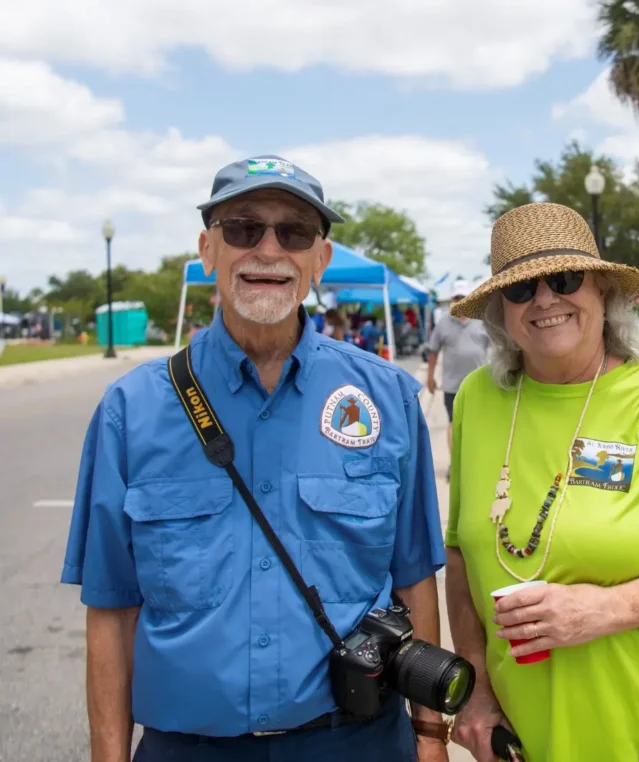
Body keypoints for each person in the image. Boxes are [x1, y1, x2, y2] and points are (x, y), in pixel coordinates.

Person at [60, 154, 451, 762]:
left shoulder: (387, 399)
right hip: (189, 748)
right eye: (243, 228)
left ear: (319, 259)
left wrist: (430, 739)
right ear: (208, 250)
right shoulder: (129, 412)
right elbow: (111, 613)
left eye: (293, 232)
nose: (268, 250)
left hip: (357, 743)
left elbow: (415, 580)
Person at [442, 202, 639, 762]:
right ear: (501, 310)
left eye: (564, 279)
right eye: (521, 290)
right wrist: (476, 692)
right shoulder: (478, 397)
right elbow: (462, 554)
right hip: (516, 742)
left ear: (602, 293)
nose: (545, 299)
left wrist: (605, 610)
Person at [426, 279, 489, 460]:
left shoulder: (482, 320)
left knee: (477, 424)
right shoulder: (443, 323)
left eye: (463, 297)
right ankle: (455, 464)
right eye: (457, 298)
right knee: (454, 423)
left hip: (480, 384)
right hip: (452, 385)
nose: (460, 301)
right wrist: (430, 378)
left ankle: (475, 460)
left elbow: (495, 348)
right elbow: (433, 351)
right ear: (452, 299)